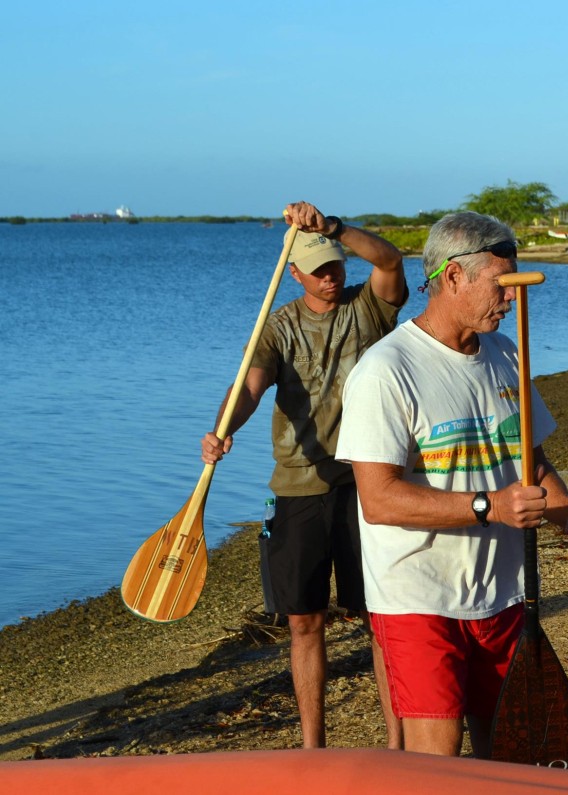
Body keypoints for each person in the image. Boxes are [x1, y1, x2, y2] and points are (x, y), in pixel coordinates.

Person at [335, 210, 568, 758]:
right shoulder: (387, 370)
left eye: (514, 283)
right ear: (454, 277)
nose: (510, 298)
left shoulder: (507, 356)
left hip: (501, 592)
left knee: (502, 751)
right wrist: (491, 506)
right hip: (417, 595)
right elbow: (379, 498)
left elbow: (530, 466)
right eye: (501, 284)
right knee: (437, 757)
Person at [201, 201, 408, 749]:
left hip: (370, 483)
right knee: (303, 622)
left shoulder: (370, 309)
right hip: (298, 486)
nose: (331, 276)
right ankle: (314, 747)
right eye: (318, 270)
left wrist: (333, 228)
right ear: (294, 273)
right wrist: (226, 427)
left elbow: (389, 260)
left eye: (336, 265)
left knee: (381, 620)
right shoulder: (279, 325)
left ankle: (398, 745)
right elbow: (249, 386)